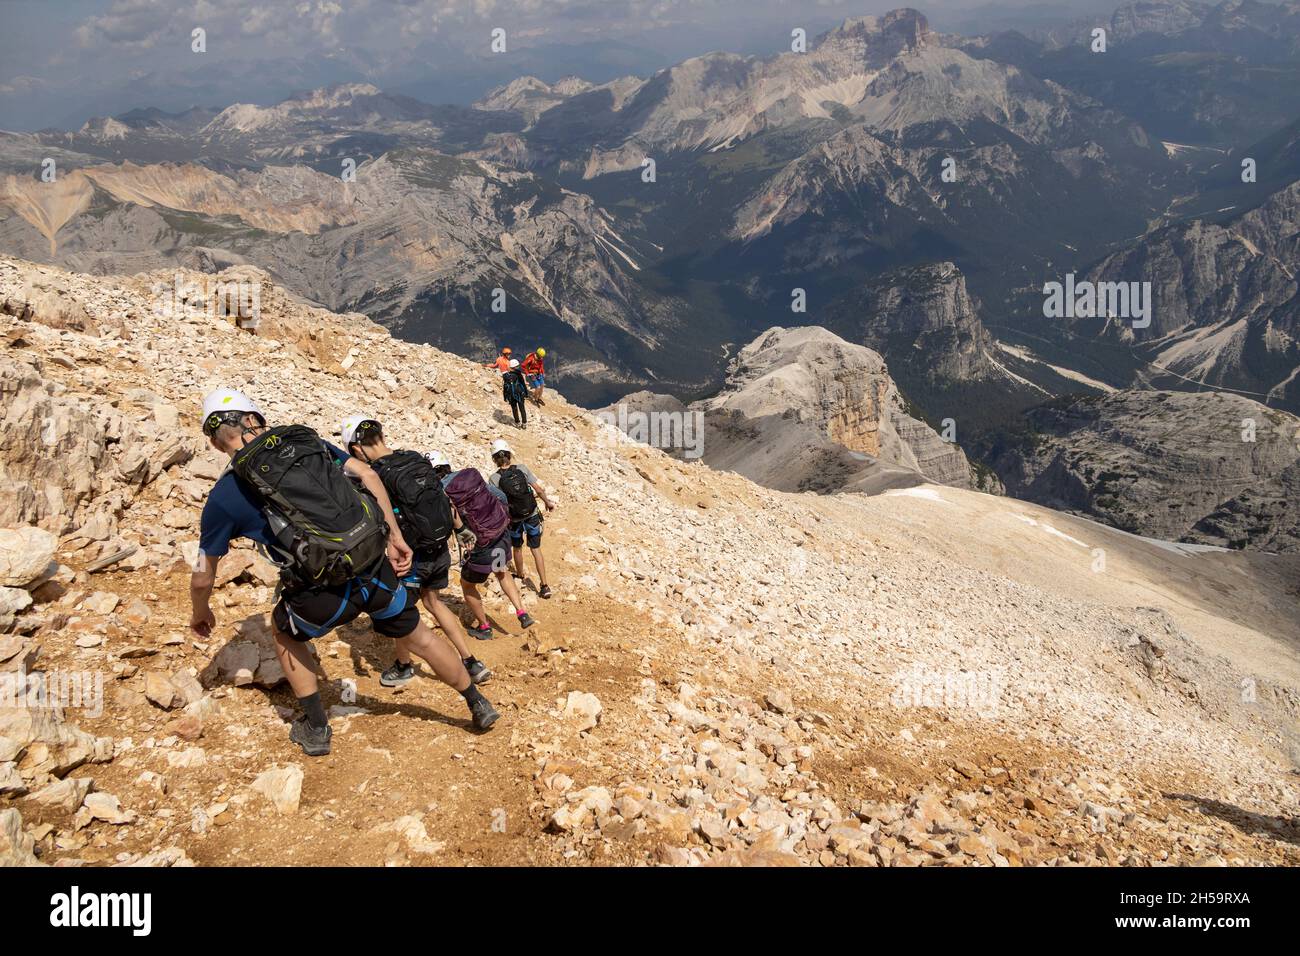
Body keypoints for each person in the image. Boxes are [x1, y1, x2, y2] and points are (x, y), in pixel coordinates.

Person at [189, 389, 499, 758]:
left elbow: (202, 574)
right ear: (256, 417)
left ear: (213, 441)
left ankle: (317, 728)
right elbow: (368, 474)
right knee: (421, 636)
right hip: (373, 566)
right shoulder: (305, 443)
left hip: (319, 592)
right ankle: (476, 702)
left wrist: (200, 611)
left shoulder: (224, 495)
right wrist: (394, 536)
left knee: (284, 632)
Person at [340, 417, 491, 687]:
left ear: (356, 449)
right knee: (434, 602)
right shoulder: (413, 458)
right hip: (439, 546)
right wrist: (460, 528)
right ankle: (471, 661)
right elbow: (443, 498)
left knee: (402, 611)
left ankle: (404, 665)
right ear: (381, 435)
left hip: (410, 554)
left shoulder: (376, 475)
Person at [443, 461, 537, 639]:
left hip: (480, 546)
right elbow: (500, 496)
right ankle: (522, 613)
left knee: (467, 585)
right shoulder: (469, 476)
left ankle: (484, 626)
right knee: (501, 571)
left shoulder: (443, 490)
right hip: (499, 537)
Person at [488, 439, 555, 599]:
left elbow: (497, 502)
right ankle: (544, 586)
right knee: (536, 549)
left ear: (494, 459)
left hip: (514, 519)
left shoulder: (494, 479)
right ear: (510, 455)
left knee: (517, 548)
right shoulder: (522, 469)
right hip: (531, 514)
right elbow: (537, 489)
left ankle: (519, 574)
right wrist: (547, 502)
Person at [502, 358, 529, 429]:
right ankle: (524, 423)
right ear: (516, 367)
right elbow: (523, 384)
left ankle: (517, 423)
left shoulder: (506, 376)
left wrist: (505, 397)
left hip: (511, 396)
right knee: (522, 408)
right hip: (519, 394)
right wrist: (526, 393)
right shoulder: (519, 374)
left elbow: (505, 387)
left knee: (514, 409)